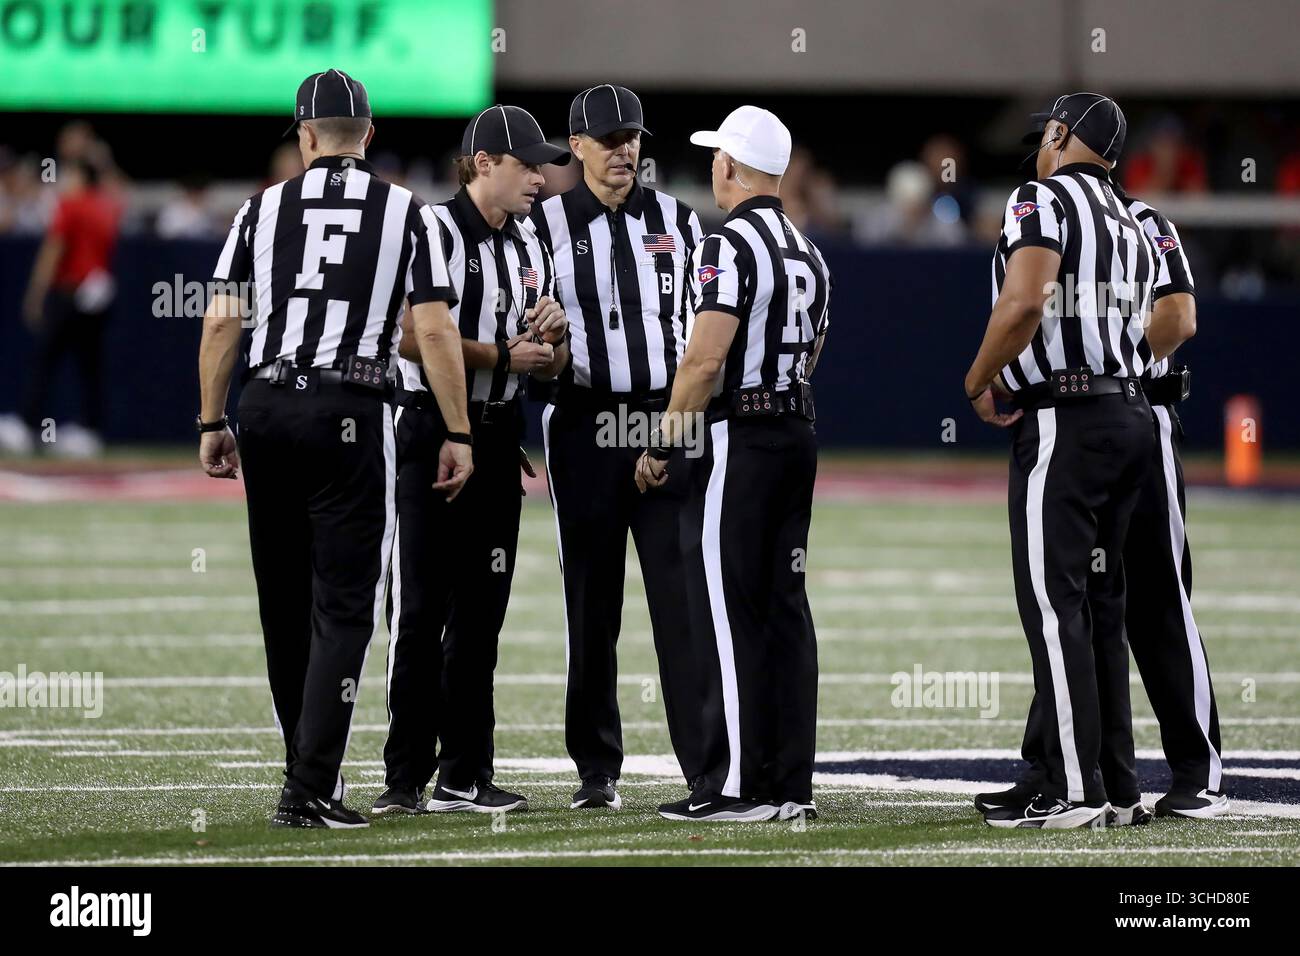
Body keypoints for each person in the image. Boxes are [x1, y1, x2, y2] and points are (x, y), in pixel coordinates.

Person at [196, 69, 471, 829]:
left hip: (269, 404)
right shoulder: (406, 213)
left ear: (305, 136)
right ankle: (311, 785)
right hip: (351, 408)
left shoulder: (261, 209)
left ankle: (304, 770)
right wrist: (456, 429)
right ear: (370, 136)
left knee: (283, 604)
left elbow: (223, 322)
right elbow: (435, 331)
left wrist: (212, 421)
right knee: (342, 606)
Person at [978, 176, 1227, 821]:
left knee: (1140, 595)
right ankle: (1065, 765)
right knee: (1087, 602)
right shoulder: (1117, 219)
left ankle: (1192, 768)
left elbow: (1179, 317)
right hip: (1124, 415)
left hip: (1123, 413)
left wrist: (1115, 365)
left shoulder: (1120, 218)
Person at [965, 92, 1157, 830]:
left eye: (1043, 136)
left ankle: (1073, 788)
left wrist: (978, 381)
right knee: (1100, 609)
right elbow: (1153, 327)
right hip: (1128, 412)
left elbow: (1023, 303)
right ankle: (1114, 782)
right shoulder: (1133, 221)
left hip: (1067, 419)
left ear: (1059, 133)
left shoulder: (1039, 199)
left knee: (1054, 606)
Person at [374, 106, 571, 816]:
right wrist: (499, 355)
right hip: (431, 431)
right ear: (484, 163)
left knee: (482, 614)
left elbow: (550, 359)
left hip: (497, 436)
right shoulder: (431, 228)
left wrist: (554, 339)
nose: (542, 181)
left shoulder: (528, 245)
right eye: (527, 166)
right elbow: (403, 337)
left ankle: (464, 773)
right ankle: (403, 779)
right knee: (420, 610)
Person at [638, 105, 832, 822]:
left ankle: (738, 786)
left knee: (726, 609)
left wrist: (660, 442)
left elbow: (705, 357)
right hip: (795, 432)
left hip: (740, 438)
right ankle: (789, 784)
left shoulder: (726, 245)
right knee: (785, 606)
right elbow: (809, 357)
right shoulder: (809, 253)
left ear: (728, 165)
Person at [530, 85, 705, 810]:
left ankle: (707, 763)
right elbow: (525, 326)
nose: (623, 150)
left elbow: (705, 323)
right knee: (590, 603)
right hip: (584, 420)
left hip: (666, 419)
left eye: (631, 136)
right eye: (607, 139)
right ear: (575, 146)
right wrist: (548, 344)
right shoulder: (541, 226)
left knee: (683, 601)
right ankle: (596, 767)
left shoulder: (679, 220)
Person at [19, 158, 122, 458]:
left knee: (45, 361)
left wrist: (35, 294)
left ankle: (29, 425)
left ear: (80, 177)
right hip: (98, 297)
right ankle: (91, 430)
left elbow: (54, 248)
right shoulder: (105, 207)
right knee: (90, 367)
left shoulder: (70, 205)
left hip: (70, 292)